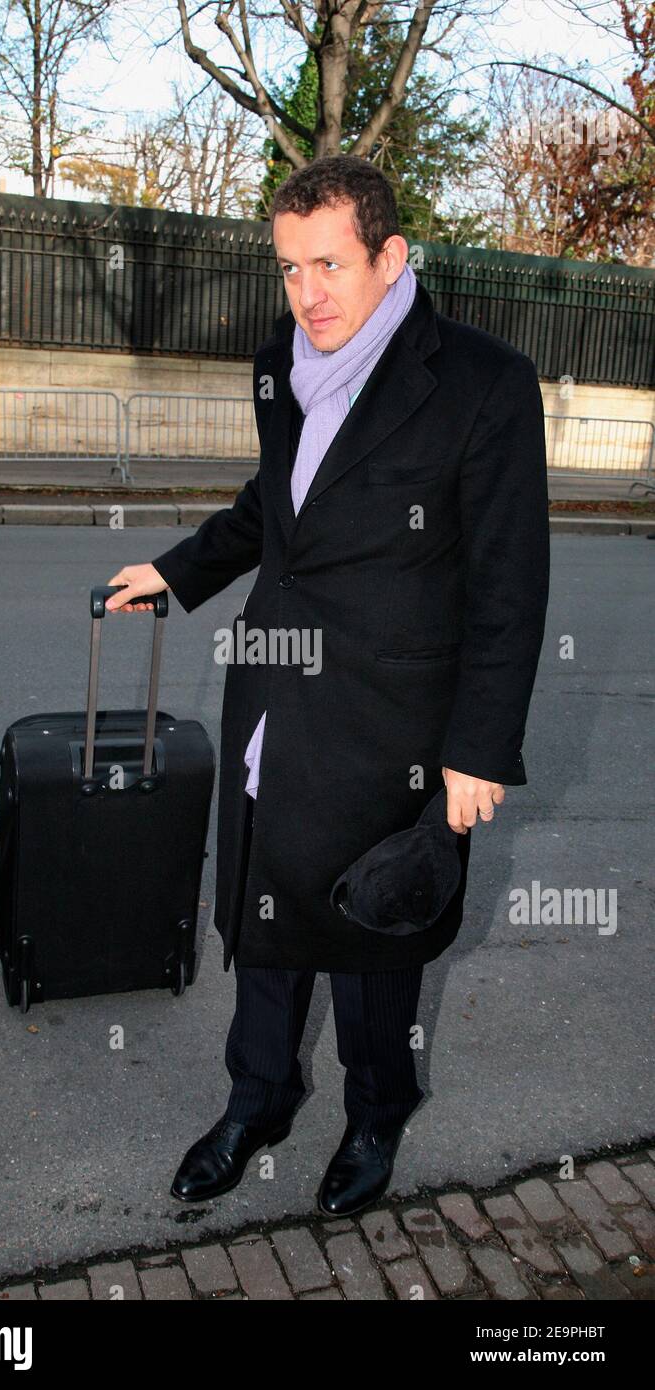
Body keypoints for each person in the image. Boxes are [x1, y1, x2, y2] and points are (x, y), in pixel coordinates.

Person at [105, 155, 550, 1218]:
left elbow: (509, 582)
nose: (309, 294)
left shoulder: (482, 383)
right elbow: (275, 511)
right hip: (275, 699)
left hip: (392, 729)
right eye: (290, 269)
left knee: (372, 942)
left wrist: (479, 750)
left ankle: (377, 1110)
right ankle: (257, 1097)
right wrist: (177, 571)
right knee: (266, 922)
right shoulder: (284, 368)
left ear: (391, 257)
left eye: (330, 264)